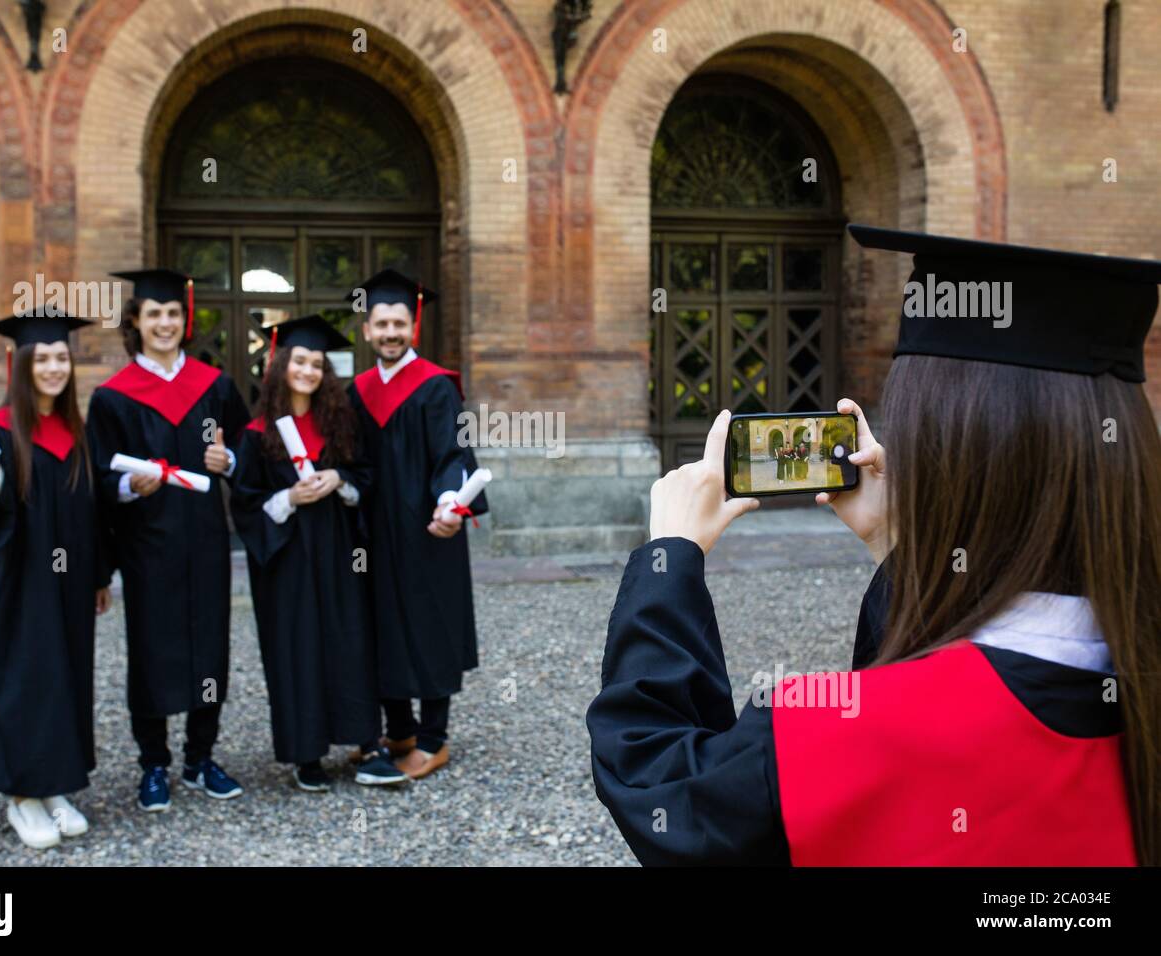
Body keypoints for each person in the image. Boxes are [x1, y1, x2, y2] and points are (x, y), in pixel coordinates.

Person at [587, 225, 1159, 865]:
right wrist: (898, 548)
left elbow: (658, 782)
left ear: (945, 456)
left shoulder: (848, 733)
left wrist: (668, 561)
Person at [86, 268, 250, 811]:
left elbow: (247, 448)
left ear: (186, 320)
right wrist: (130, 485)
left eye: (173, 314)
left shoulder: (214, 386)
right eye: (154, 313)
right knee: (152, 651)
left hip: (205, 539)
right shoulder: (112, 399)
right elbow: (95, 480)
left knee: (210, 646)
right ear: (135, 321)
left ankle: (200, 757)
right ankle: (153, 762)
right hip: (147, 546)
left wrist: (227, 460)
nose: (165, 323)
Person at [231, 314, 408, 790]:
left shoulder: (341, 425)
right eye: (300, 361)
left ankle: (368, 745)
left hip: (340, 553)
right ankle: (306, 754)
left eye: (317, 363)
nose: (308, 370)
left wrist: (339, 480)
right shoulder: (255, 433)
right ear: (281, 366)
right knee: (296, 649)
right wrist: (290, 498)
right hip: (286, 561)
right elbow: (244, 503)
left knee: (351, 640)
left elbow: (366, 478)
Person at [0, 310, 111, 849]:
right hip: (19, 587)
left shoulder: (76, 431)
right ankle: (21, 794)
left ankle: (54, 785)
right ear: (21, 365)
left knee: (65, 677)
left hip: (68, 587)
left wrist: (97, 576)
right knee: (25, 677)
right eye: (41, 358)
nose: (52, 367)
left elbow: (92, 513)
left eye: (60, 358)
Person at [344, 269, 488, 779]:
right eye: (380, 324)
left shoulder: (435, 387)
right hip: (374, 536)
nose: (389, 333)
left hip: (428, 533)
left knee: (430, 625)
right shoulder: (356, 392)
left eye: (398, 324)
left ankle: (433, 737)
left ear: (413, 326)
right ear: (366, 330)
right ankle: (399, 727)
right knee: (381, 624)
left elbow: (453, 453)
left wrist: (450, 502)